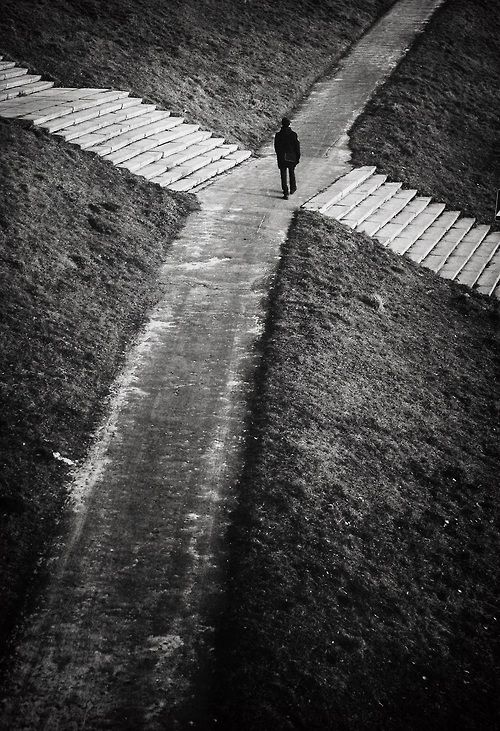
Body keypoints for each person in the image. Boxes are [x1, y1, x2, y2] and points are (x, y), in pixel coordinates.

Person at [274, 117, 300, 199]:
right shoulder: (293, 135)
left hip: (282, 156)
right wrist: (298, 157)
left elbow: (276, 147)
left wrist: (279, 155)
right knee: (291, 172)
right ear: (289, 124)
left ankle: (285, 192)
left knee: (283, 174)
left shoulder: (278, 135)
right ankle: (292, 188)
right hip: (291, 156)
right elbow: (297, 147)